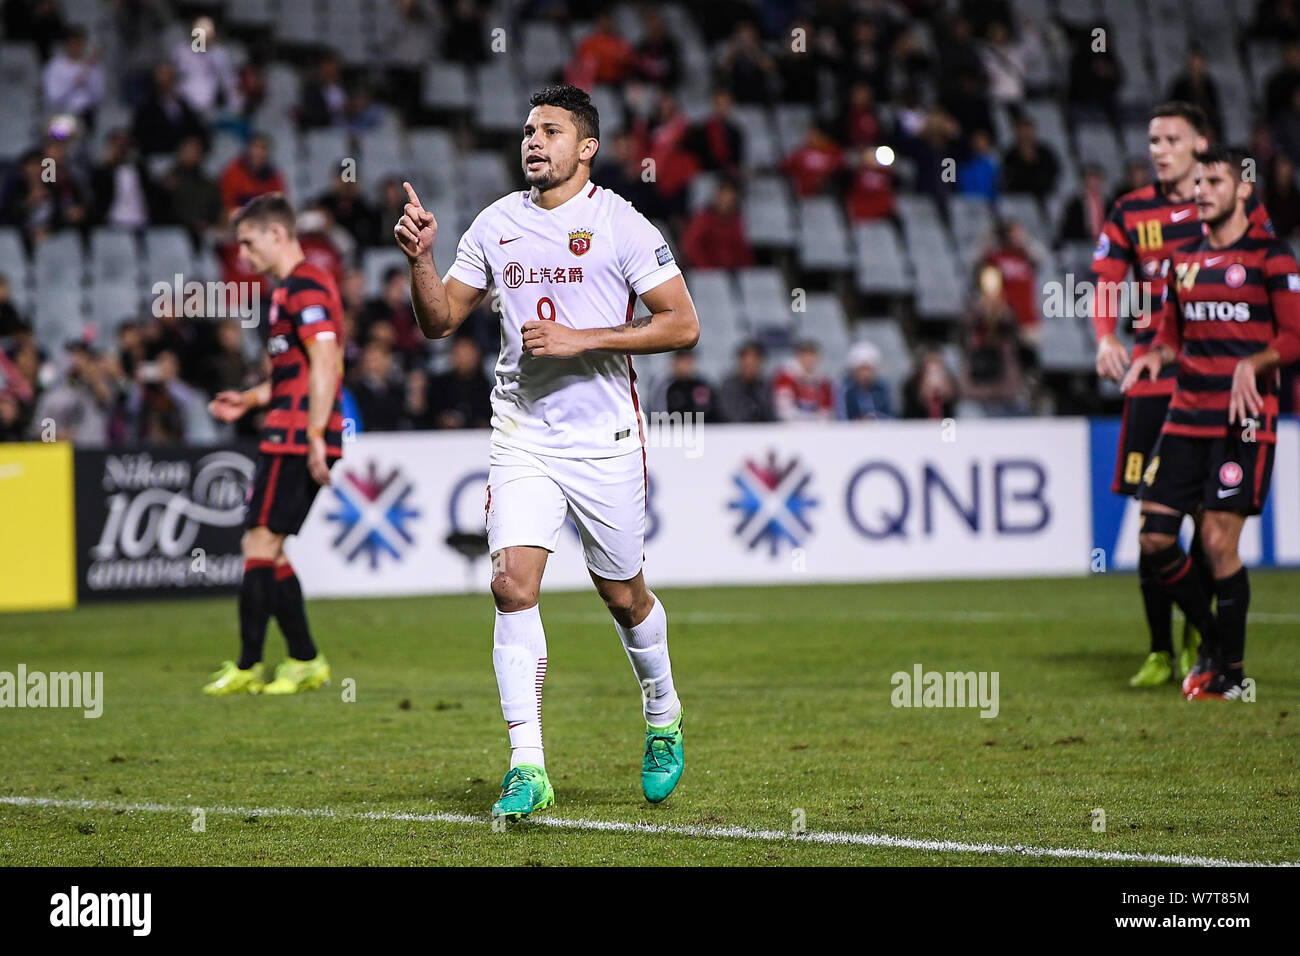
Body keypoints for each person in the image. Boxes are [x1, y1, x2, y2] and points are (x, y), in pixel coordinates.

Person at [395, 84, 698, 820]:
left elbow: (681, 324)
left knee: (624, 596)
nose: (533, 141)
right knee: (510, 588)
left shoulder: (621, 224)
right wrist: (422, 259)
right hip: (523, 435)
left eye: (551, 131)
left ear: (585, 148)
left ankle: (662, 713)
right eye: (528, 130)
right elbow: (438, 321)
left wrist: (583, 339)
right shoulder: (495, 224)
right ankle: (527, 763)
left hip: (606, 442)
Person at [1091, 102, 1273, 688]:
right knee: (1154, 519)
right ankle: (1160, 649)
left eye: (1172, 138)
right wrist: (1103, 338)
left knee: (1208, 522)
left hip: (1212, 391)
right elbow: (1106, 281)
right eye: (1153, 139)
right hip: (1155, 377)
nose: (1159, 149)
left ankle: (1204, 636)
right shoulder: (1130, 210)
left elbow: (1264, 272)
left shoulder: (1224, 207)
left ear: (1202, 144)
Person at [1121, 145, 1300, 700]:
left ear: (1244, 189)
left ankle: (1232, 672)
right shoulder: (1184, 262)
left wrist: (1255, 362)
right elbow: (1173, 334)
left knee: (1218, 540)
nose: (1201, 191)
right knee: (1154, 536)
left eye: (1214, 182)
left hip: (1241, 423)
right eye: (1198, 183)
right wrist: (1157, 354)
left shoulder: (1274, 259)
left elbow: (1294, 337)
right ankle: (1215, 635)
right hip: (1185, 416)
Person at [203, 194, 344, 697]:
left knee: (258, 544)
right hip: (285, 430)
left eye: (248, 241)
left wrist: (313, 436)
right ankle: (305, 659)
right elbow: (294, 375)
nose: (242, 253)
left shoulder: (305, 284)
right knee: (271, 549)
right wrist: (249, 399)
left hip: (296, 437)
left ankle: (248, 664)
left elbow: (326, 362)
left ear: (277, 234)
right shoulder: (287, 291)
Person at [772, 340, 833, 421]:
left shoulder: (824, 382)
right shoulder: (785, 378)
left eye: (812, 355)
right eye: (805, 355)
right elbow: (784, 411)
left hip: (817, 429)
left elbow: (827, 411)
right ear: (797, 356)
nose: (809, 359)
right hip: (791, 429)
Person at [716, 341, 774, 422]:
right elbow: (729, 415)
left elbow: (771, 415)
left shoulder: (766, 386)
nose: (750, 365)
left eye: (754, 362)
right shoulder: (728, 386)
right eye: (746, 363)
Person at [840, 340, 893, 420]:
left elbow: (891, 415)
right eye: (862, 369)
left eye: (868, 369)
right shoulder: (845, 390)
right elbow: (841, 417)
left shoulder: (882, 389)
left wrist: (874, 418)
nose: (865, 374)